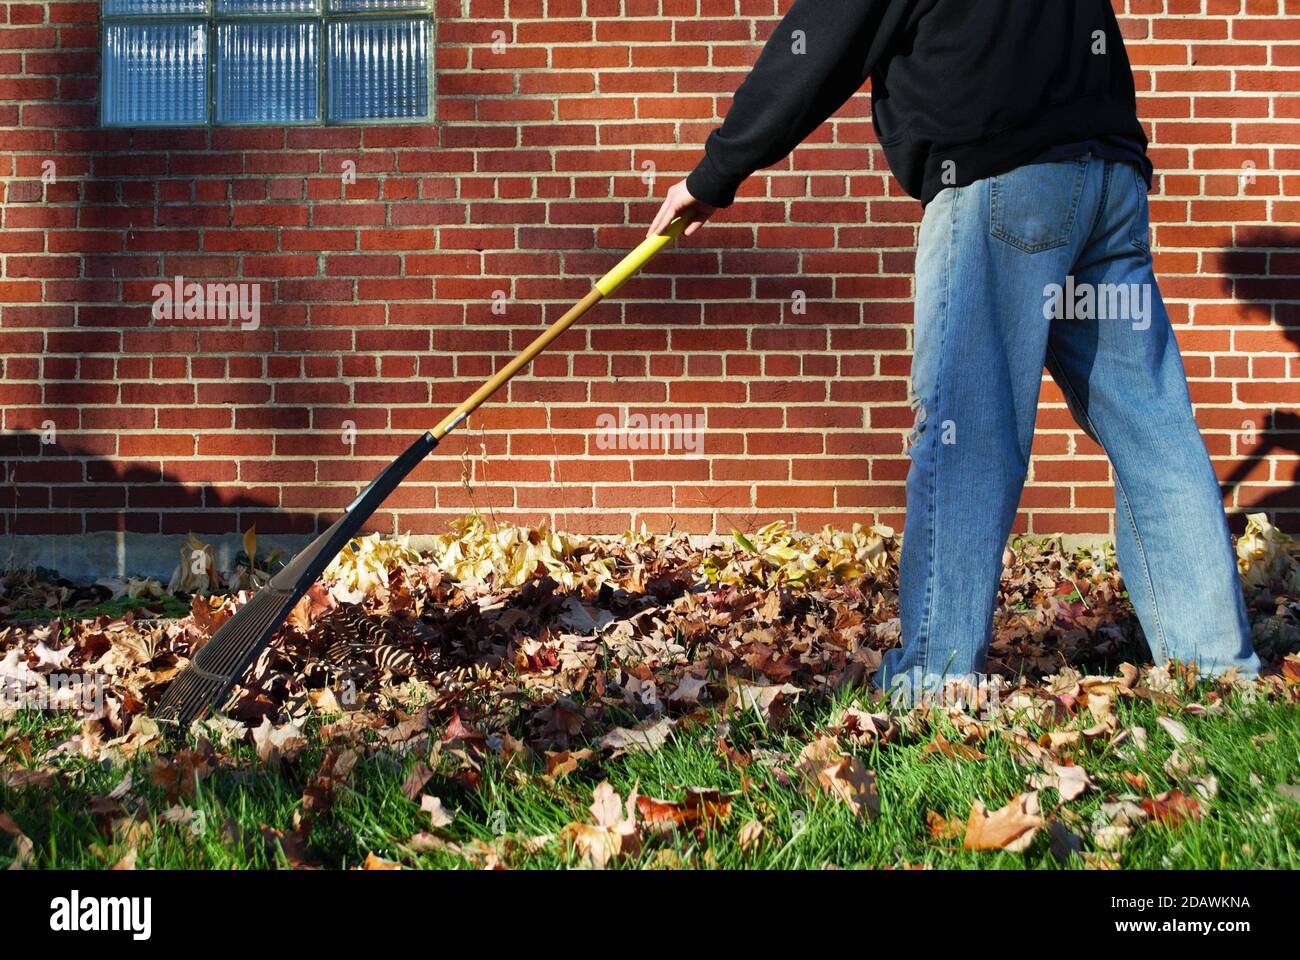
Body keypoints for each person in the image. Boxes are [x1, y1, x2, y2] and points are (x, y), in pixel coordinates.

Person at [648, 0, 1261, 704]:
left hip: (1003, 185)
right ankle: (1214, 667)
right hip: (1108, 181)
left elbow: (816, 43)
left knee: (968, 430)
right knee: (1152, 426)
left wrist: (713, 174)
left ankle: (939, 677)